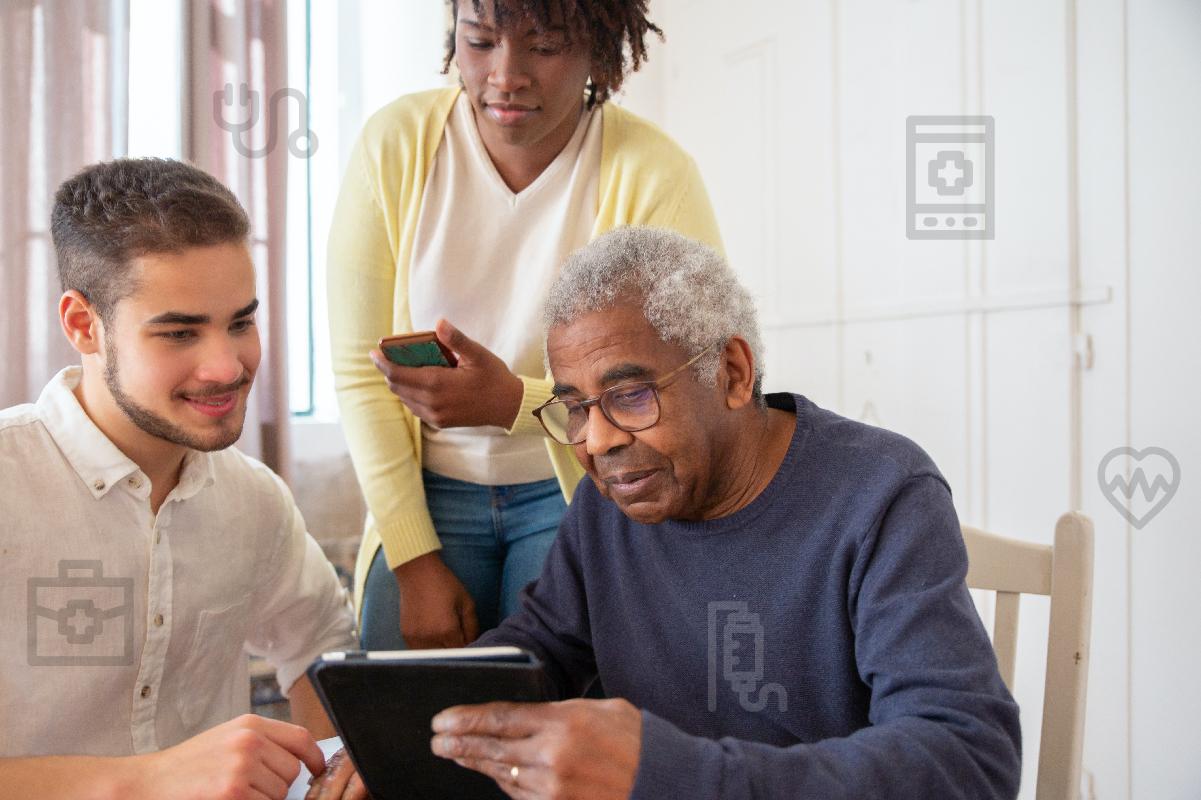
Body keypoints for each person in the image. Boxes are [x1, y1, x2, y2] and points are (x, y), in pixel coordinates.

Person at [311, 227, 1023, 800]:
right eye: (574, 406)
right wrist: (407, 743)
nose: (595, 441)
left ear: (733, 374)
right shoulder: (611, 500)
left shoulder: (879, 494)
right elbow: (540, 650)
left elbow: (967, 756)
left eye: (629, 396)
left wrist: (666, 774)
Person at [328, 0, 722, 651]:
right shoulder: (395, 145)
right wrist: (414, 560)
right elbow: (358, 370)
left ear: (598, 49)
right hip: (423, 491)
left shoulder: (653, 174)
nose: (505, 75)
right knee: (399, 726)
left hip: (575, 489)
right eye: (479, 42)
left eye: (543, 47)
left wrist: (516, 401)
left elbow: (685, 383)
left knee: (552, 720)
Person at [0, 158, 358, 799]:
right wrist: (144, 781)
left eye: (241, 322)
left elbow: (321, 651)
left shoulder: (254, 501)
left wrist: (338, 774)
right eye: (179, 333)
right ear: (84, 325)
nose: (226, 366)